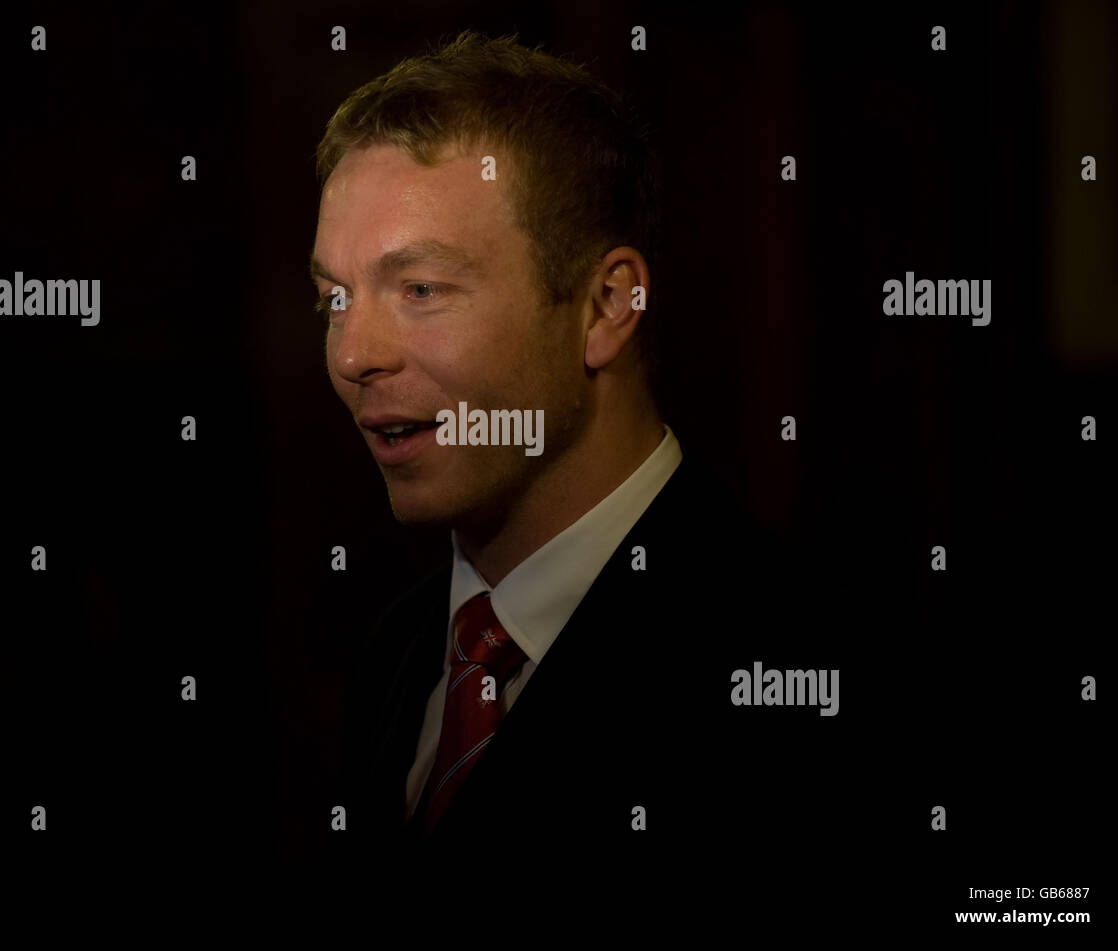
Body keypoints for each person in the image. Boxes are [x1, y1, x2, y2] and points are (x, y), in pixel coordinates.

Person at [310, 30, 798, 864]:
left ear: (607, 305)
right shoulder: (396, 653)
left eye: (421, 289)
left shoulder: (786, 665)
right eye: (335, 298)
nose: (354, 354)